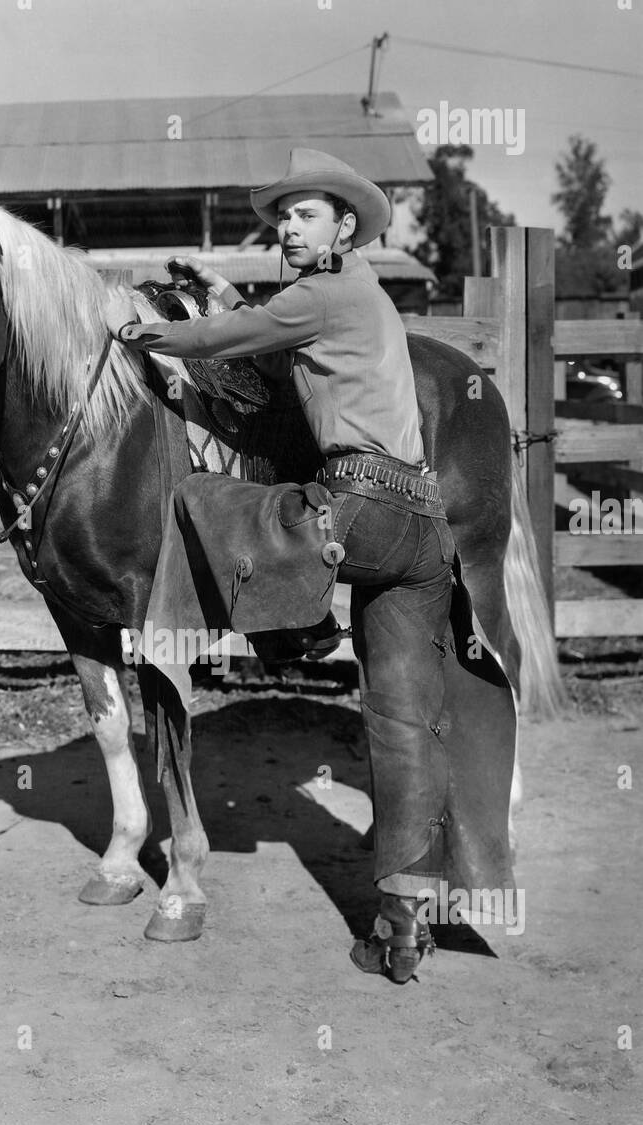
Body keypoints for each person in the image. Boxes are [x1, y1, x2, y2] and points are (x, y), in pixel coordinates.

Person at [104, 149, 462, 985]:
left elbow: (226, 341)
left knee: (198, 495)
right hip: (422, 529)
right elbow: (270, 336)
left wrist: (139, 328)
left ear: (344, 225)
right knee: (400, 722)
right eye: (283, 218)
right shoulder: (357, 295)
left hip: (359, 509)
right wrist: (228, 294)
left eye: (304, 215)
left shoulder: (324, 290)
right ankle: (401, 930)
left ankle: (291, 627)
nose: (288, 228)